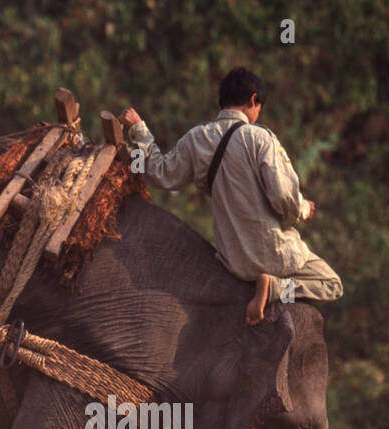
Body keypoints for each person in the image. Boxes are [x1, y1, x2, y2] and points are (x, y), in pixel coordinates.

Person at [120, 66, 343, 325]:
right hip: (275, 256)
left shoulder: (197, 138)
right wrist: (303, 210)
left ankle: (268, 287)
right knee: (331, 284)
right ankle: (276, 289)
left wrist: (139, 132)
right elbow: (285, 200)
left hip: (233, 260)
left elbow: (161, 174)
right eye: (260, 106)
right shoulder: (261, 139)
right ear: (252, 100)